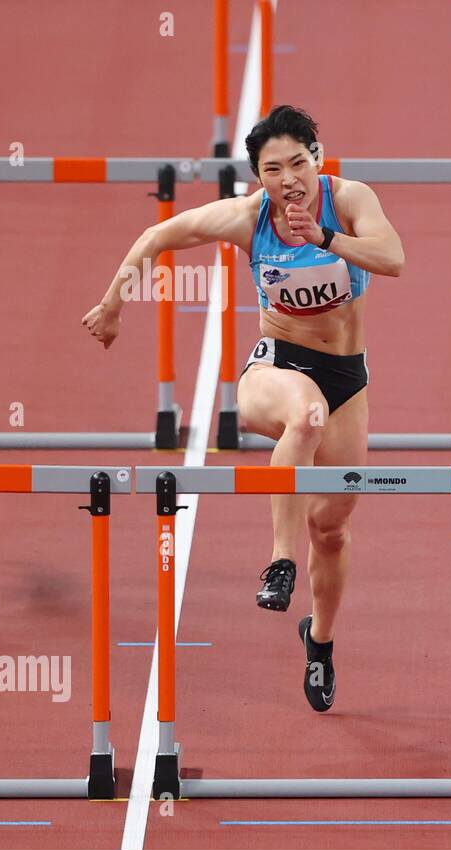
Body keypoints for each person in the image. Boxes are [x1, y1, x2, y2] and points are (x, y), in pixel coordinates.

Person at [81, 105, 405, 711]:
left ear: (319, 159)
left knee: (331, 530)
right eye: (273, 169)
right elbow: (159, 237)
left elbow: (394, 259)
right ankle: (279, 563)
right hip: (273, 370)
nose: (289, 180)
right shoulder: (248, 218)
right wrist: (113, 306)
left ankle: (320, 642)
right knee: (303, 414)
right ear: (259, 178)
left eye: (298, 163)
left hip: (347, 379)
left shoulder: (351, 200)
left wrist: (326, 238)